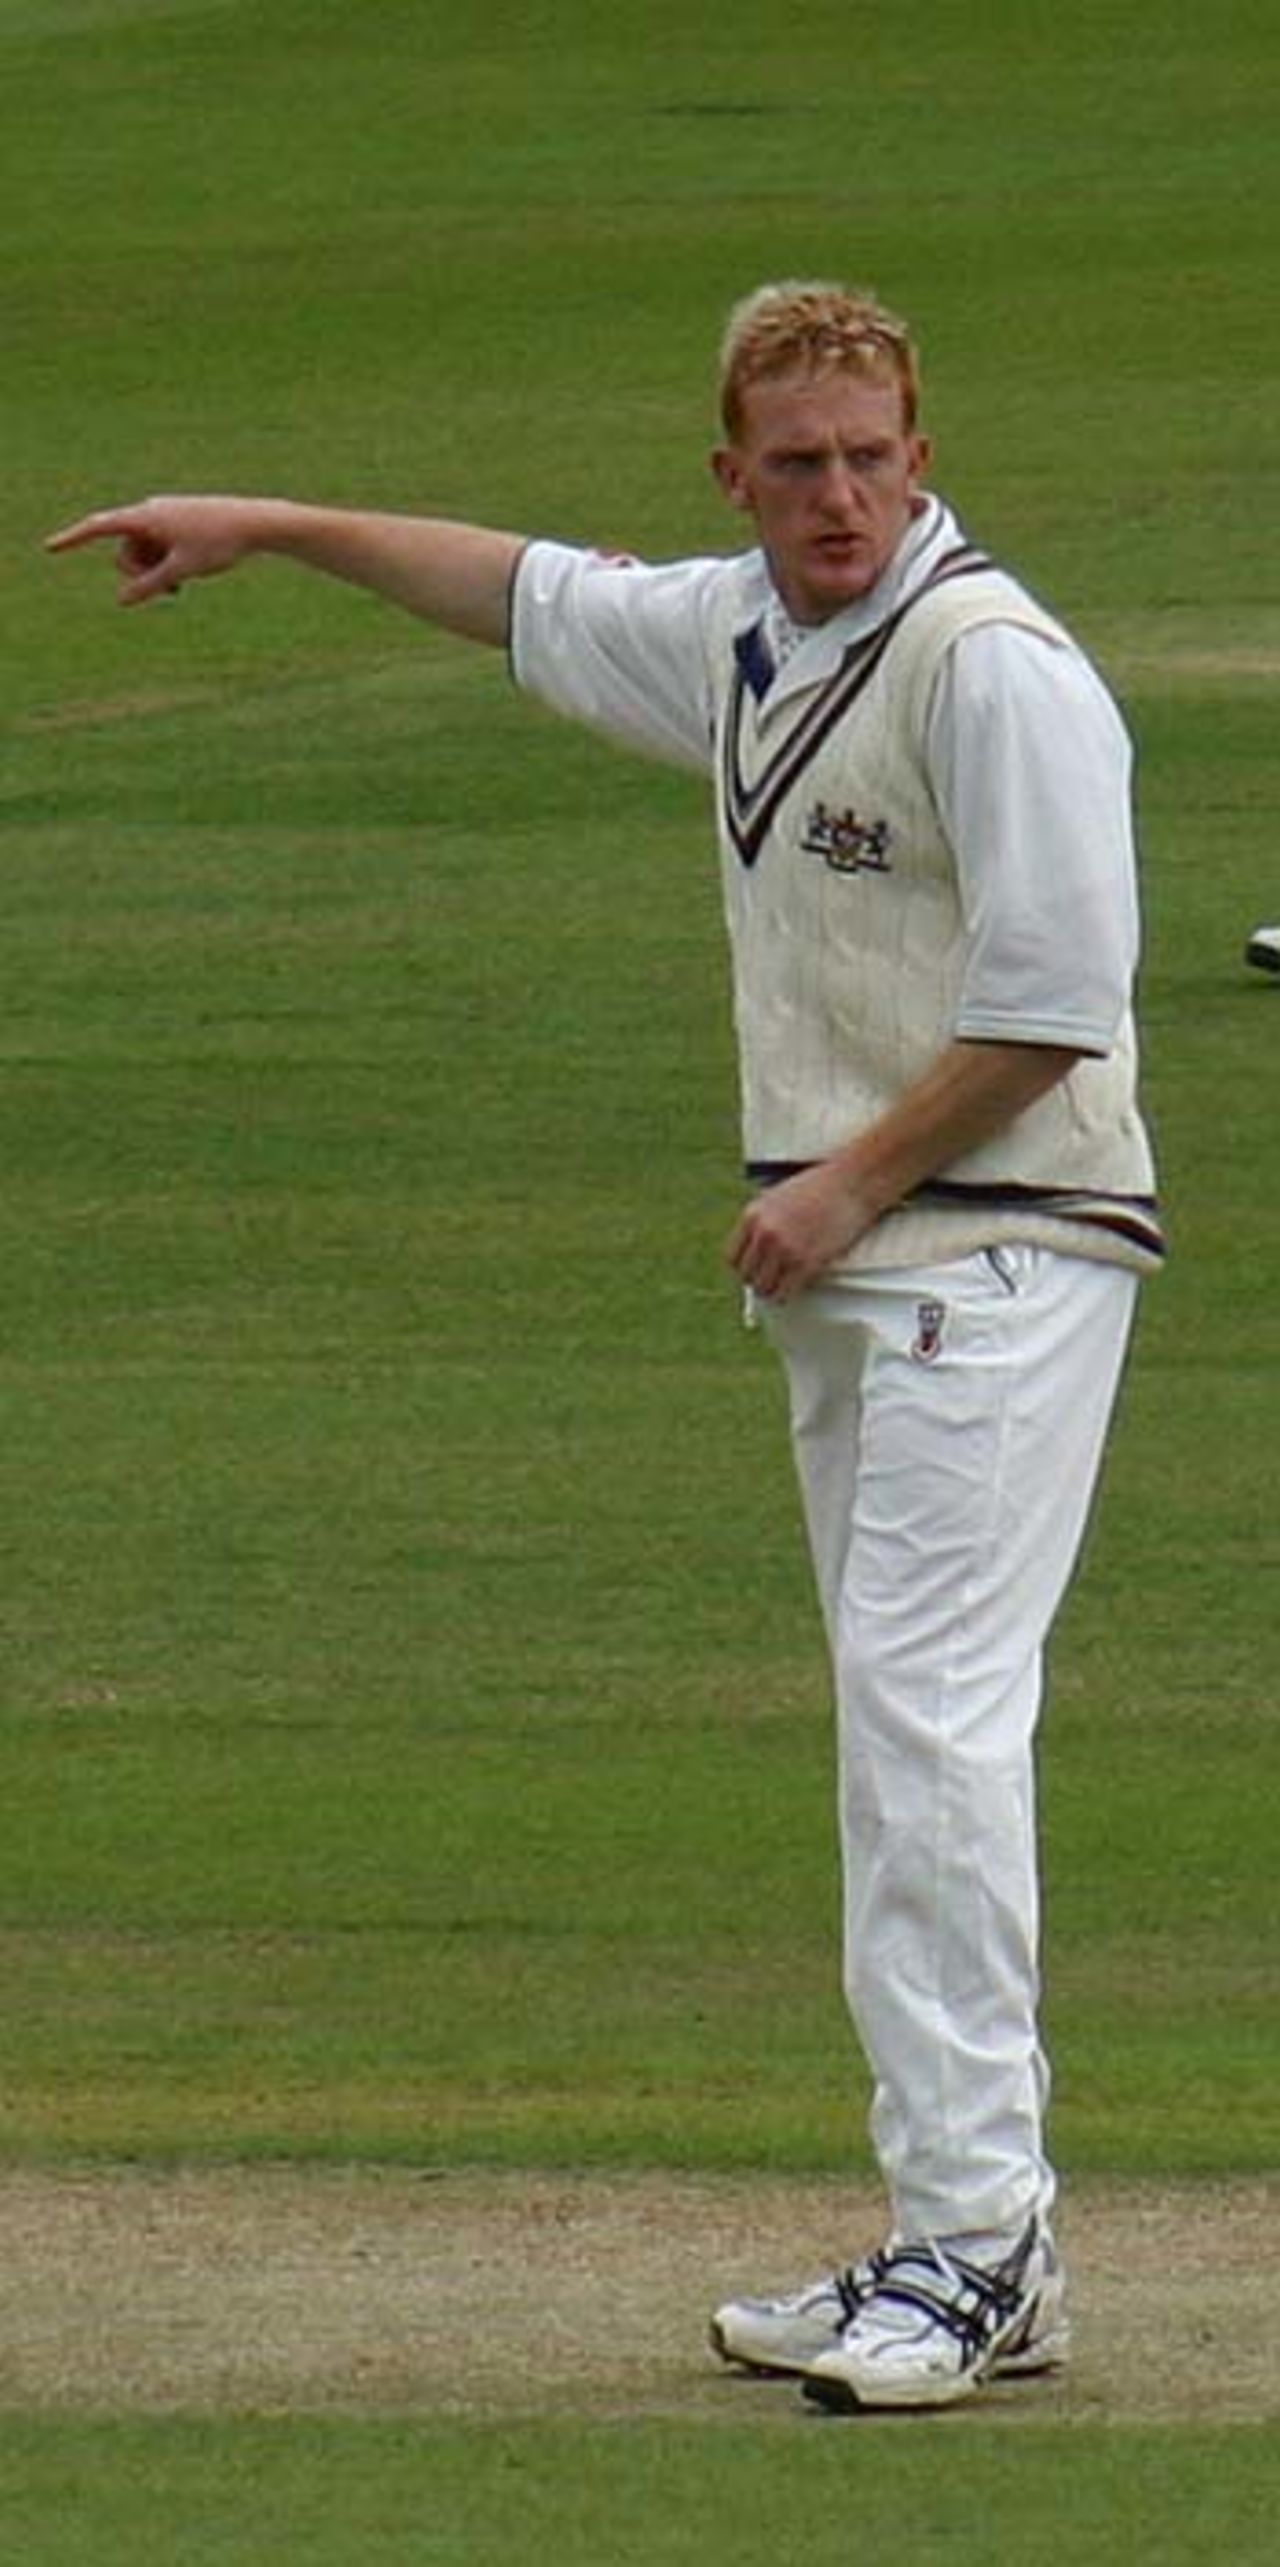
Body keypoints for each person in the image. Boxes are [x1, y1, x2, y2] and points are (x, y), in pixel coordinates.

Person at [48, 280, 1162, 2414]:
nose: (835, 495)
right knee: (896, 1736)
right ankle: (954, 2232)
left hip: (997, 1254)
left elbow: (1056, 1006)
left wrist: (847, 1179)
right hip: (866, 1268)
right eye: (795, 462)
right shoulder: (749, 631)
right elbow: (522, 591)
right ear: (730, 475)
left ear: (922, 455)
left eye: (868, 455)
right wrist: (269, 523)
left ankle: (977, 2250)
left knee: (927, 1735)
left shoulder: (996, 673)